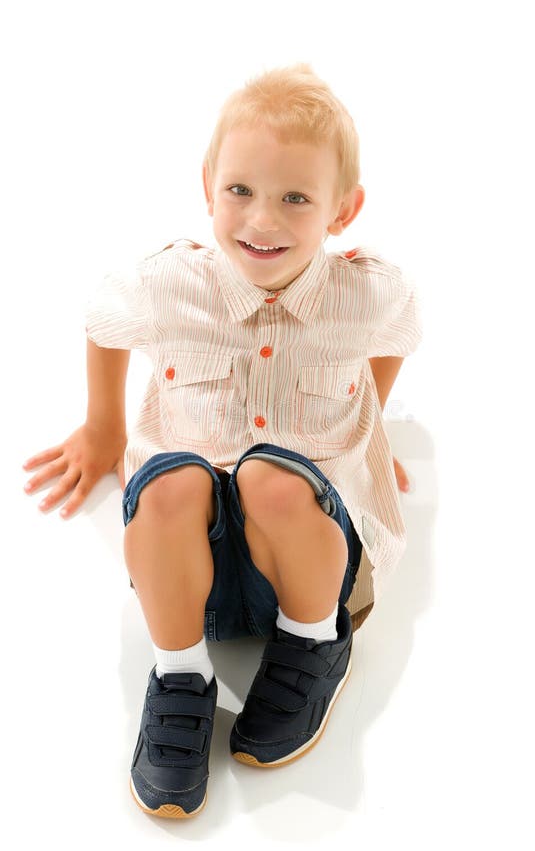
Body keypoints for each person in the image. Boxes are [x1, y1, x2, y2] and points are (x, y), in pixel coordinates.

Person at [21, 62, 423, 819]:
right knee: (174, 483)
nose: (261, 221)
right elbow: (104, 325)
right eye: (240, 190)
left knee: (271, 479)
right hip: (188, 572)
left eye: (295, 199)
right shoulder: (167, 285)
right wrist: (103, 429)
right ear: (208, 183)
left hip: (312, 561)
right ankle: (181, 674)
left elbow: (395, 333)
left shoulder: (367, 292)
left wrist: (365, 428)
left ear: (343, 210)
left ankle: (313, 643)